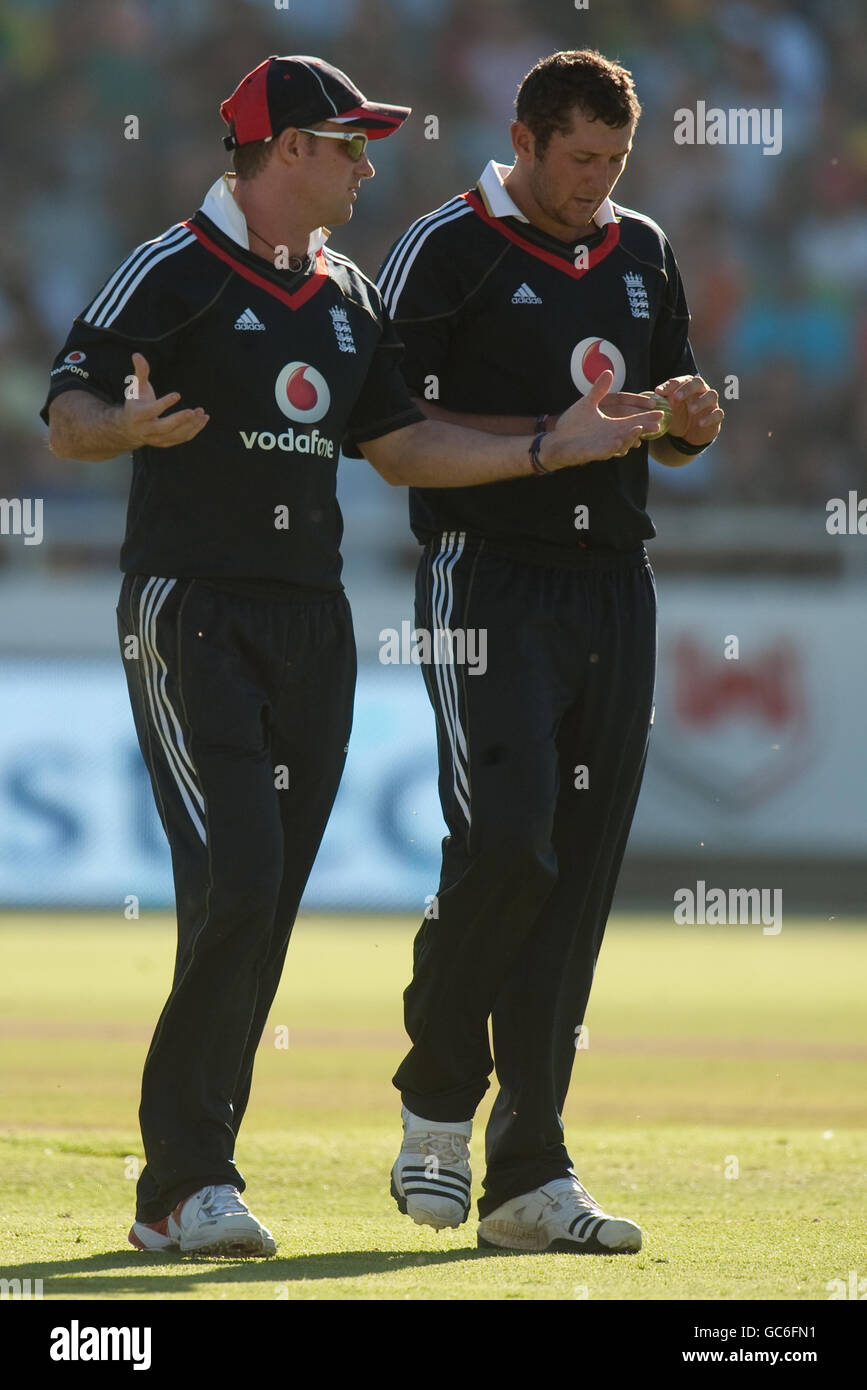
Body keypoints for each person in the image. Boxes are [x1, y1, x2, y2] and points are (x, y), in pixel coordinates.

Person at [41, 54, 661, 1259]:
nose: (369, 164)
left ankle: (198, 1182)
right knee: (241, 874)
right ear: (282, 151)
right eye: (347, 145)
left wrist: (551, 445)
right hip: (192, 611)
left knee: (259, 899)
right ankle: (182, 1183)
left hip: (312, 625)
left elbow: (402, 444)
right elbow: (66, 412)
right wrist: (121, 426)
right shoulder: (171, 268)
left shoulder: (345, 291)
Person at [380, 48, 723, 1254]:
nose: (599, 183)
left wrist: (682, 428)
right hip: (491, 577)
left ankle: (529, 1172)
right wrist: (549, 442)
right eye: (580, 159)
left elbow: (647, 424)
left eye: (616, 162)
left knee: (573, 879)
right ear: (523, 140)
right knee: (509, 840)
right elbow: (391, 437)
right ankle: (434, 1102)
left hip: (614, 584)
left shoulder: (642, 250)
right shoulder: (445, 248)